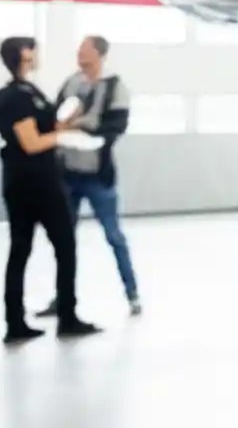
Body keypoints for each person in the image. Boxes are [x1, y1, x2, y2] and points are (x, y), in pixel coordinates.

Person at [0, 37, 102, 343]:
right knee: (28, 249)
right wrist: (67, 139)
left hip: (43, 178)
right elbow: (31, 143)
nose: (37, 55)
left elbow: (48, 128)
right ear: (23, 55)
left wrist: (72, 120)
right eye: (32, 51)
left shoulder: (32, 91)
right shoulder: (11, 96)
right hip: (29, 183)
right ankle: (18, 322)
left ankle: (66, 314)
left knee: (62, 247)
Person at [36, 35, 140, 318]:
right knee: (63, 239)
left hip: (97, 176)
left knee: (114, 236)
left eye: (85, 48)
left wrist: (80, 132)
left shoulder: (115, 87)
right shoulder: (71, 84)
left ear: (99, 53)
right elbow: (52, 119)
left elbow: (116, 127)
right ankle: (63, 299)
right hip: (67, 175)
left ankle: (132, 294)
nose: (79, 53)